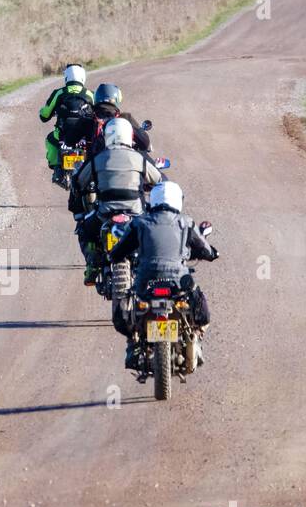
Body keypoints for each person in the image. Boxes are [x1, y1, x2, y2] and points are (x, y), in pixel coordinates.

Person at [109, 181, 219, 368]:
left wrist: (116, 255)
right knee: (197, 303)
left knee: (129, 306)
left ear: (153, 200)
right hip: (178, 283)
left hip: (146, 282)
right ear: (178, 200)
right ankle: (197, 335)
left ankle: (134, 343)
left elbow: (118, 252)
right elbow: (205, 250)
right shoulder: (186, 222)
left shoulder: (139, 222)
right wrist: (213, 253)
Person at [71, 117, 164, 285]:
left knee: (84, 230)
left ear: (107, 136)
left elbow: (78, 183)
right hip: (136, 213)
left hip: (104, 214)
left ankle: (93, 264)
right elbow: (160, 181)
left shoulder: (98, 159)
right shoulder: (139, 158)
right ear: (129, 136)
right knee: (154, 232)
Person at [38, 64, 95, 180]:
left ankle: (57, 168)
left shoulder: (59, 93)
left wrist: (42, 112)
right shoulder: (90, 94)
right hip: (85, 135)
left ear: (66, 77)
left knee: (50, 140)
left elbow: (45, 115)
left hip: (62, 135)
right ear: (83, 77)